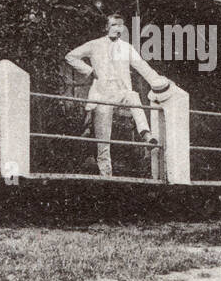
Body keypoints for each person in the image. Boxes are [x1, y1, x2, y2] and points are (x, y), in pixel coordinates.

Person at [65, 13, 171, 177]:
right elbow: (70, 56)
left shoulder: (127, 48)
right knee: (103, 140)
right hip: (102, 95)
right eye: (114, 25)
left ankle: (146, 135)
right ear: (106, 27)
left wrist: (157, 81)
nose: (118, 28)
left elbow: (142, 66)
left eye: (120, 25)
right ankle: (106, 176)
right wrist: (90, 71)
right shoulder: (94, 45)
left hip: (121, 91)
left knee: (134, 96)